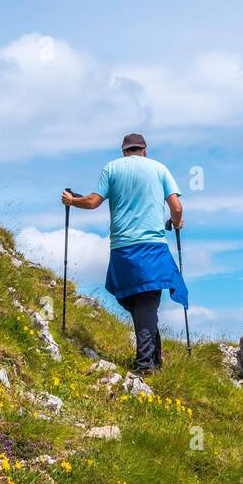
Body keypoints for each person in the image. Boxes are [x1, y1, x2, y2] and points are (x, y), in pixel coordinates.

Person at [61, 133, 187, 374]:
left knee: (135, 301)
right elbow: (177, 207)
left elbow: (92, 201)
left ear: (124, 151)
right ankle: (147, 365)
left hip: (123, 249)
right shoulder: (159, 169)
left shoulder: (112, 168)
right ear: (145, 150)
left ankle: (149, 363)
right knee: (145, 304)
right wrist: (176, 222)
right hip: (153, 248)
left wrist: (71, 201)